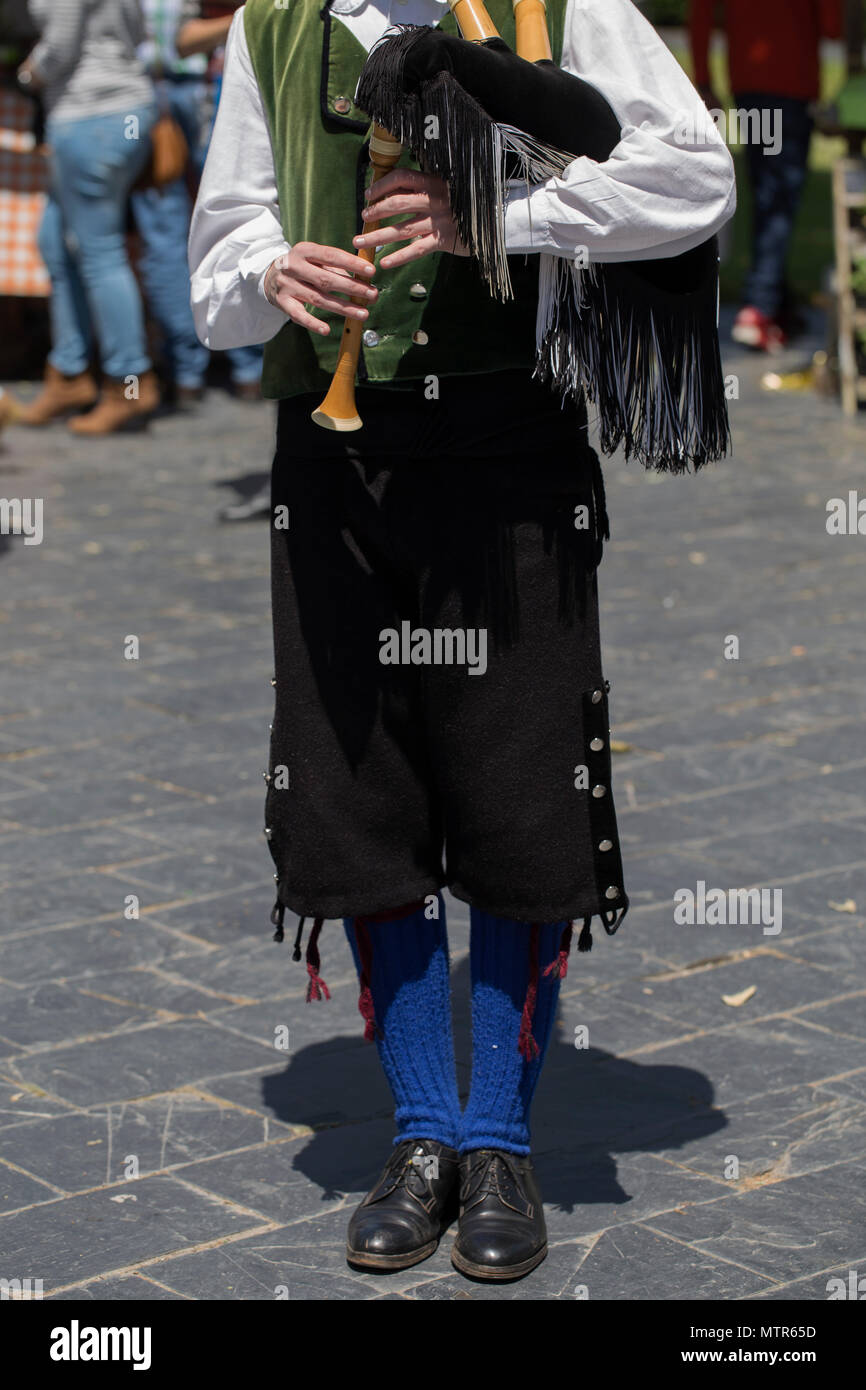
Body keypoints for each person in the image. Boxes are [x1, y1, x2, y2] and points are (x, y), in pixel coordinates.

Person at [189, 0, 734, 1281]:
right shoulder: (270, 26)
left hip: (508, 458)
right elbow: (220, 254)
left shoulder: (559, 4)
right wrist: (271, 272)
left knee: (519, 794)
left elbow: (692, 173)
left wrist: (506, 214)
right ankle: (423, 1129)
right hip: (337, 469)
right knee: (355, 792)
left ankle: (498, 1142)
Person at [15, 0, 160, 433]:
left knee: (100, 251)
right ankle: (69, 374)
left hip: (91, 112)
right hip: (119, 111)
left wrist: (25, 76)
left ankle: (130, 384)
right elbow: (139, 35)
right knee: (55, 242)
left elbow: (59, 45)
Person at [689, 0, 843, 352]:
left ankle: (778, 304)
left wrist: (703, 78)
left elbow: (701, 14)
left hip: (749, 84)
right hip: (793, 84)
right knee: (779, 198)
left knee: (766, 191)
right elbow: (832, 25)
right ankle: (759, 305)